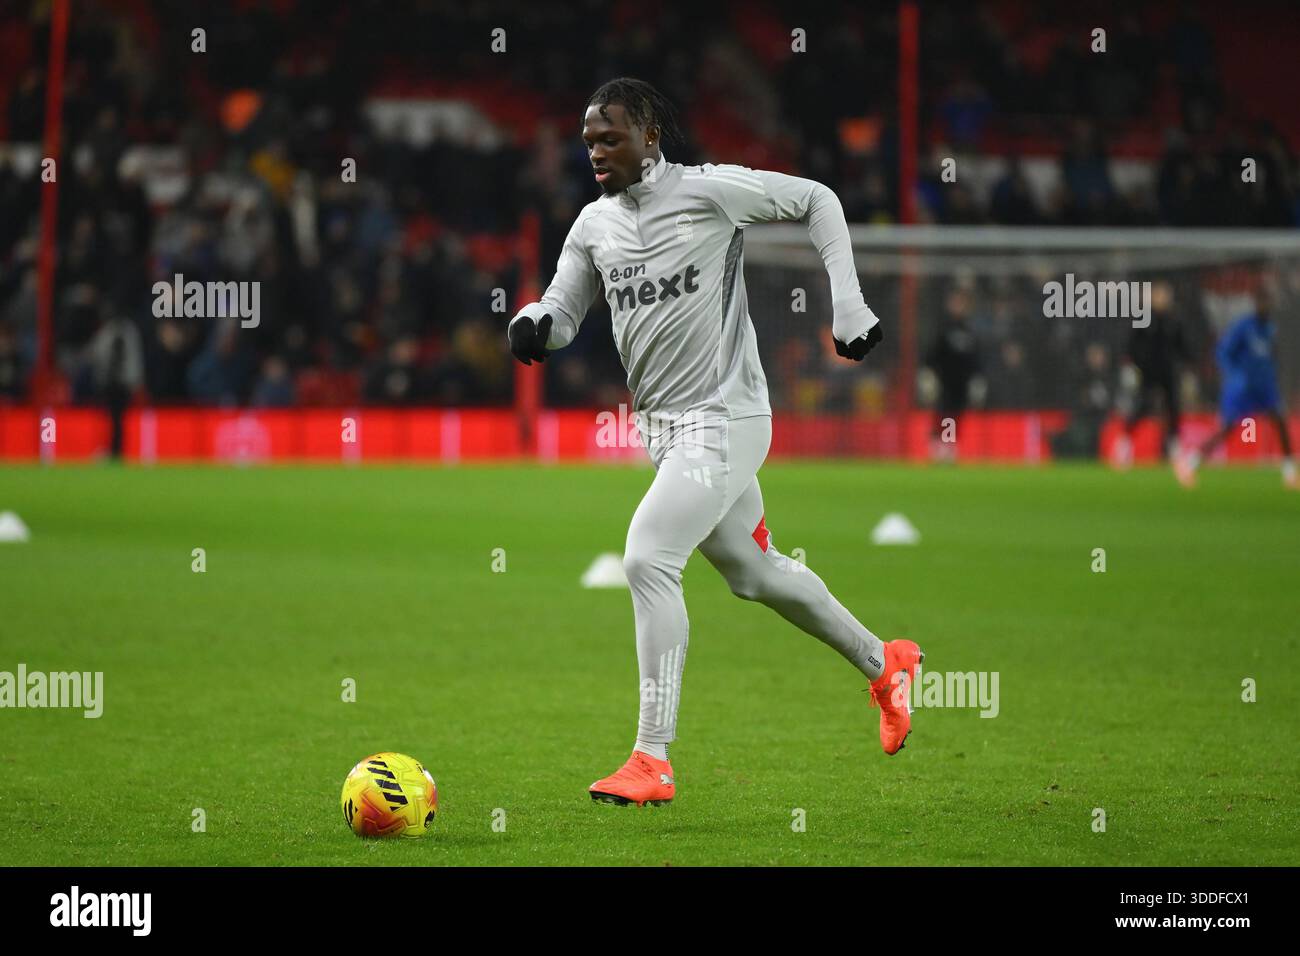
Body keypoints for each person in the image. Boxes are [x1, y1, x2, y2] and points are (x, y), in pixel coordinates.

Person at [507, 78, 923, 808]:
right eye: (589, 142)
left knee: (647, 556)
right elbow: (566, 311)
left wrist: (848, 303)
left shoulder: (710, 192)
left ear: (650, 135)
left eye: (611, 138)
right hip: (666, 435)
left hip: (727, 416)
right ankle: (885, 663)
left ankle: (651, 758)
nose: (597, 152)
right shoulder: (592, 227)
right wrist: (537, 323)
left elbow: (818, 199)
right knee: (753, 573)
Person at [1175, 282, 1296, 489]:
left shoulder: (1270, 329)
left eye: (1268, 302)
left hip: (1265, 387)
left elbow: (1270, 356)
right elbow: (1222, 352)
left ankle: (1290, 472)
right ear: (1256, 304)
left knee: (1280, 423)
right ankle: (1190, 462)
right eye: (1262, 302)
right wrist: (1235, 374)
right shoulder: (1244, 326)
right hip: (1244, 389)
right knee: (1228, 428)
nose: (1265, 306)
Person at [1112, 280, 1188, 467]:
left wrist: (1187, 364)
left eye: (1166, 295)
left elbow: (1182, 347)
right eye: (1160, 295)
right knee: (1142, 407)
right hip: (1147, 372)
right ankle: (1125, 444)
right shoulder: (1143, 318)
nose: (1163, 299)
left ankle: (1174, 447)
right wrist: (1135, 365)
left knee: (1173, 409)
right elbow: (1131, 345)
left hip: (1168, 372)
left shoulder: (1174, 320)